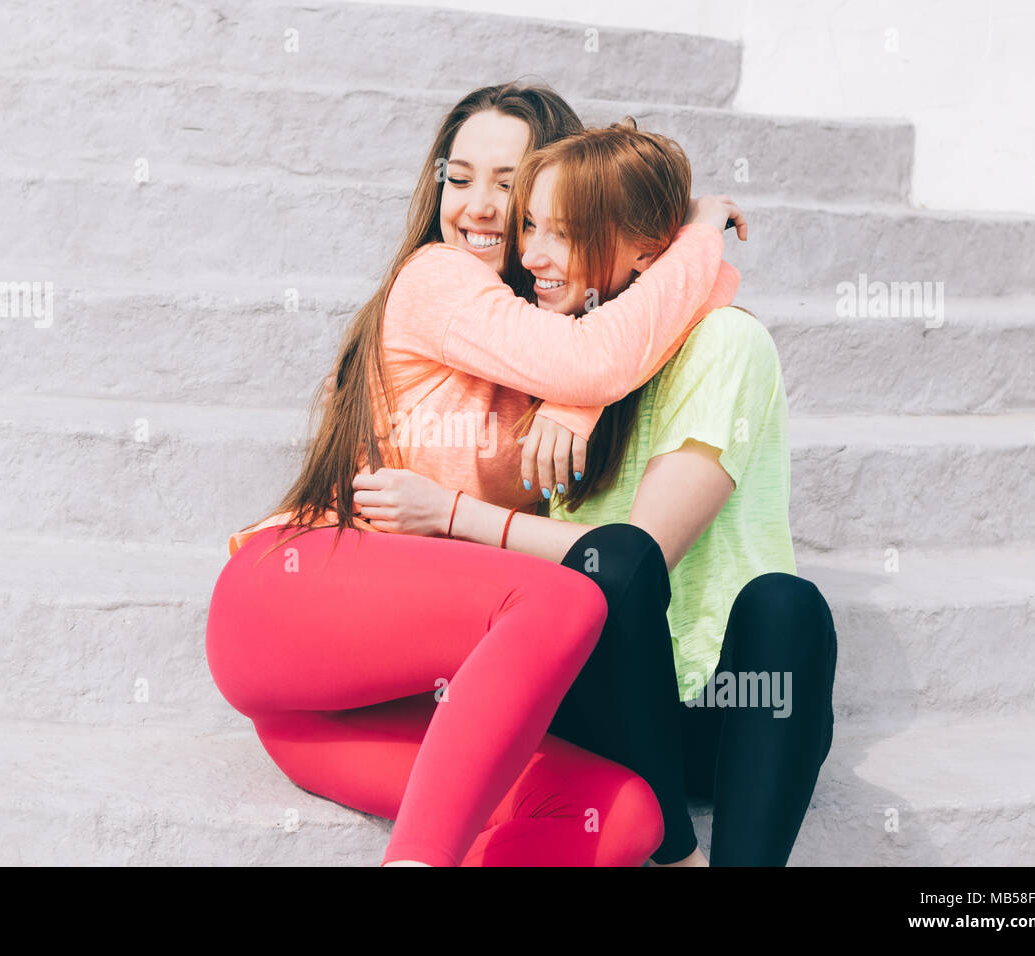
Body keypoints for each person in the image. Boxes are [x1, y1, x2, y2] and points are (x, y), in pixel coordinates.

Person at [205, 82, 746, 866]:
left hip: (343, 720)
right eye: (458, 179)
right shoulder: (437, 277)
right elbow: (608, 353)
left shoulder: (561, 327)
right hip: (289, 598)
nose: (479, 206)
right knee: (566, 596)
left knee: (627, 816)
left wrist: (578, 397)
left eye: (510, 183)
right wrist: (701, 229)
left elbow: (687, 306)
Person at [353, 120, 837, 867]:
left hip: (713, 709)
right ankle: (675, 854)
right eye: (532, 227)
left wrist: (450, 514)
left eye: (564, 234)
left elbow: (645, 555)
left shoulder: (727, 346)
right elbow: (598, 360)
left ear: (649, 251)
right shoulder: (578, 359)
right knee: (604, 574)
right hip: (605, 713)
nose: (532, 255)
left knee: (786, 604)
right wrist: (572, 402)